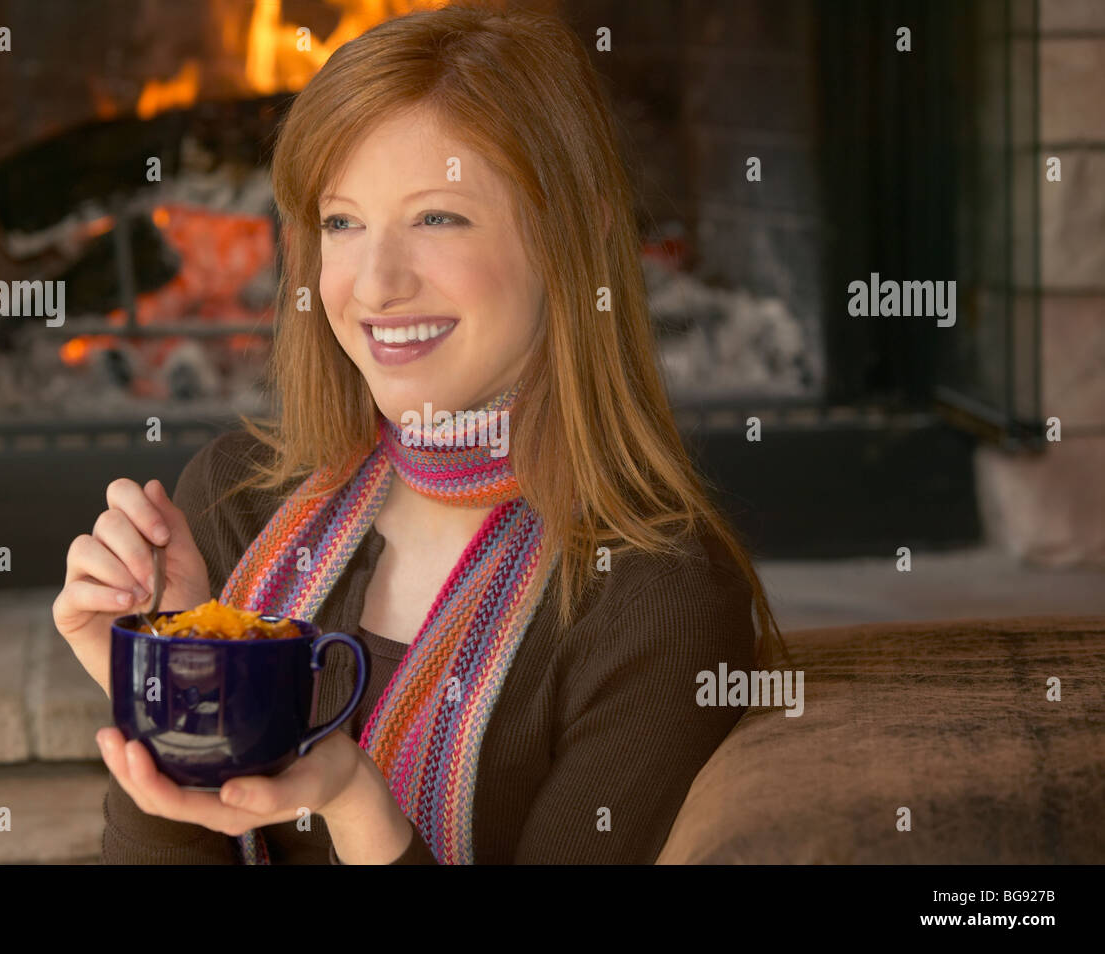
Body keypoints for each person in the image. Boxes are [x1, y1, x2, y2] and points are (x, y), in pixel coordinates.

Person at [52, 3, 787, 865]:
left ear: (574, 233)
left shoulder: (656, 601)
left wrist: (358, 809)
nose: (375, 284)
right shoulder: (234, 494)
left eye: (438, 217)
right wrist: (171, 686)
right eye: (342, 222)